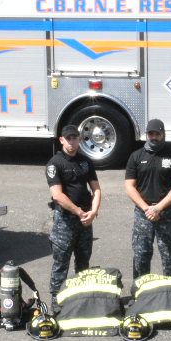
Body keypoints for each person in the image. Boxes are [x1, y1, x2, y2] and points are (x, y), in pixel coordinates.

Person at [124, 118, 171, 280]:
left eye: (157, 134)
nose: (153, 137)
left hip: (166, 213)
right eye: (151, 133)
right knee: (141, 255)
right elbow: (130, 186)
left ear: (163, 134)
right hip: (143, 213)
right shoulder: (136, 156)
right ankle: (139, 293)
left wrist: (158, 208)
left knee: (170, 256)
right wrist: (146, 208)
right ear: (147, 135)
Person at [46, 125, 101, 307]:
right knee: (61, 262)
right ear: (61, 140)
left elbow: (96, 189)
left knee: (83, 261)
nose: (72, 142)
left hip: (86, 220)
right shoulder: (55, 163)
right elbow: (57, 196)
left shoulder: (85, 162)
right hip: (66, 221)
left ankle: (81, 299)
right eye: (68, 138)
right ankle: (57, 301)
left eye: (74, 138)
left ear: (79, 139)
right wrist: (78, 211)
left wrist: (93, 212)